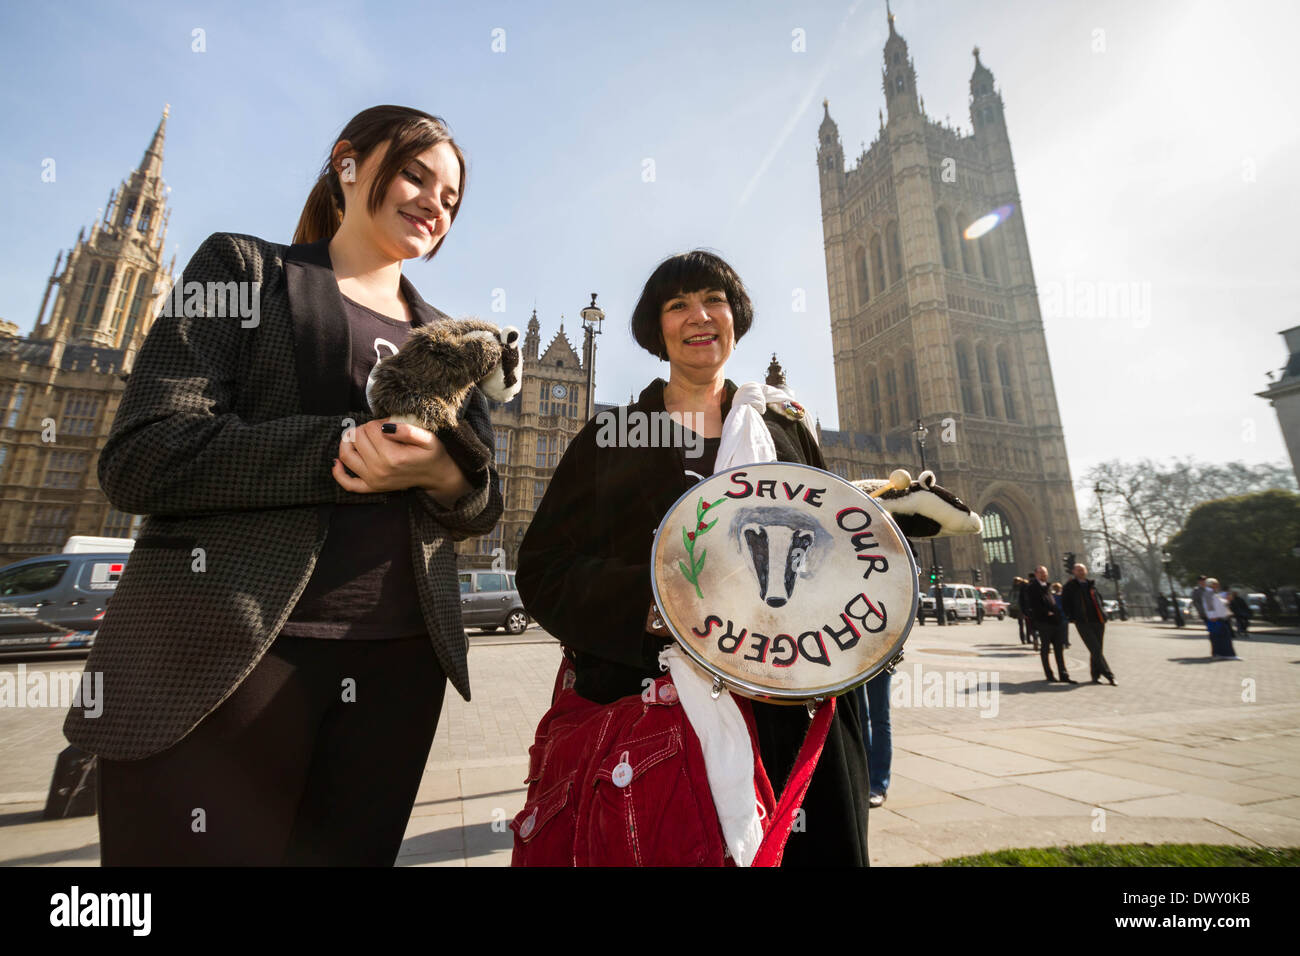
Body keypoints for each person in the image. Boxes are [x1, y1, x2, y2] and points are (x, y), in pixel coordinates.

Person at [61, 106, 503, 865]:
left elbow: (482, 496)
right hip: (226, 657)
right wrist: (338, 449)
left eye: (452, 198)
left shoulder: (451, 339)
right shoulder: (245, 271)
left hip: (396, 668)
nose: (436, 202)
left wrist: (441, 472)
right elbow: (143, 453)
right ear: (349, 164)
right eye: (415, 174)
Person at [514, 251, 871, 866]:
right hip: (657, 713)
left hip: (789, 707)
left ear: (736, 317)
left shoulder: (783, 430)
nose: (698, 315)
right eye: (677, 305)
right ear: (658, 329)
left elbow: (831, 553)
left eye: (713, 299)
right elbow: (544, 568)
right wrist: (660, 606)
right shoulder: (614, 435)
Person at [1062, 563, 1115, 685]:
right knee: (1095, 648)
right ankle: (1109, 675)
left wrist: (1104, 614)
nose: (1080, 572)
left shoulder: (1091, 584)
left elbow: (1099, 600)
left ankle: (1095, 676)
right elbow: (1066, 603)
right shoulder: (1070, 586)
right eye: (1078, 570)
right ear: (1074, 572)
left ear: (1086, 571)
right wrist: (1072, 617)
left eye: (1082, 570)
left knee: (1097, 648)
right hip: (1082, 622)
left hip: (1098, 620)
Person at [1027, 565, 1074, 683]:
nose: (1044, 575)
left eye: (1045, 573)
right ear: (1036, 574)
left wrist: (1056, 614)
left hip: (1055, 621)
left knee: (1059, 648)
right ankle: (1049, 674)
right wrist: (1046, 613)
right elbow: (1033, 605)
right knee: (1045, 648)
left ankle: (1064, 674)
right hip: (1043, 622)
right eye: (1041, 573)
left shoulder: (1047, 586)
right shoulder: (1032, 587)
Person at [855, 667, 893, 809]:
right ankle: (864, 777)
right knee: (859, 719)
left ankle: (879, 784)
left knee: (880, 719)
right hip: (855, 659)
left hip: (881, 660)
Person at [1203, 578, 1242, 660]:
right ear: (1211, 584)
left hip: (1219, 617)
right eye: (1216, 584)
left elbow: (1219, 603)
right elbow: (1209, 606)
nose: (1217, 585)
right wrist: (1212, 616)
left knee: (1222, 636)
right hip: (1216, 618)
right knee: (1218, 636)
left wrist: (1227, 600)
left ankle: (1223, 653)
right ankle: (1222, 654)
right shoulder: (1209, 593)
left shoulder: (1212, 593)